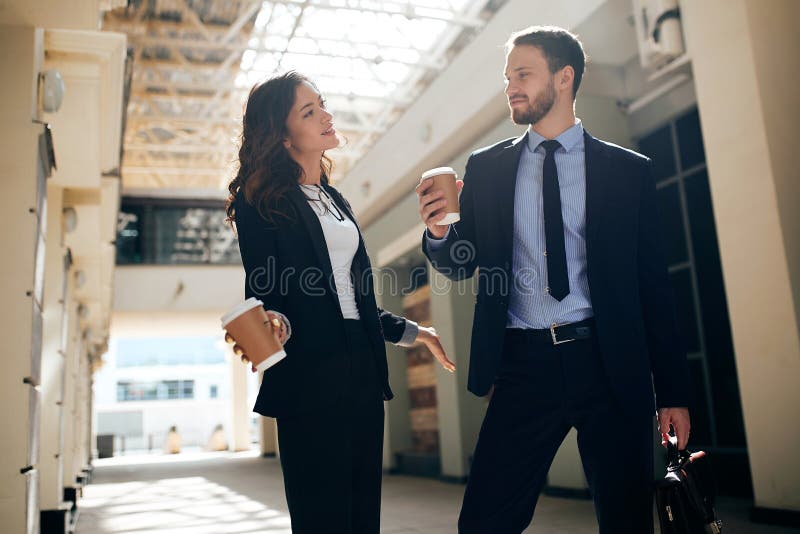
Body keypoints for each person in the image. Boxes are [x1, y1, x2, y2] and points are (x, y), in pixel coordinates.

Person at [416, 26, 692, 533]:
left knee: (627, 521)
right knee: (483, 521)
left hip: (607, 362)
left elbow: (654, 284)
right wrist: (438, 232)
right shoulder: (487, 168)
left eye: (523, 74)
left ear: (564, 78)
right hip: (523, 365)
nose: (511, 87)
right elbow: (460, 262)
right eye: (507, 78)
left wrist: (672, 390)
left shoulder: (628, 171)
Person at [225, 71, 455, 534]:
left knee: (362, 509)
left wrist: (417, 332)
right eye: (309, 112)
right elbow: (266, 287)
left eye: (323, 104)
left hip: (361, 367)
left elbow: (354, 300)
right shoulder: (259, 200)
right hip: (308, 371)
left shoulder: (336, 200)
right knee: (321, 516)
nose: (326, 116)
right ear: (282, 134)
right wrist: (273, 322)